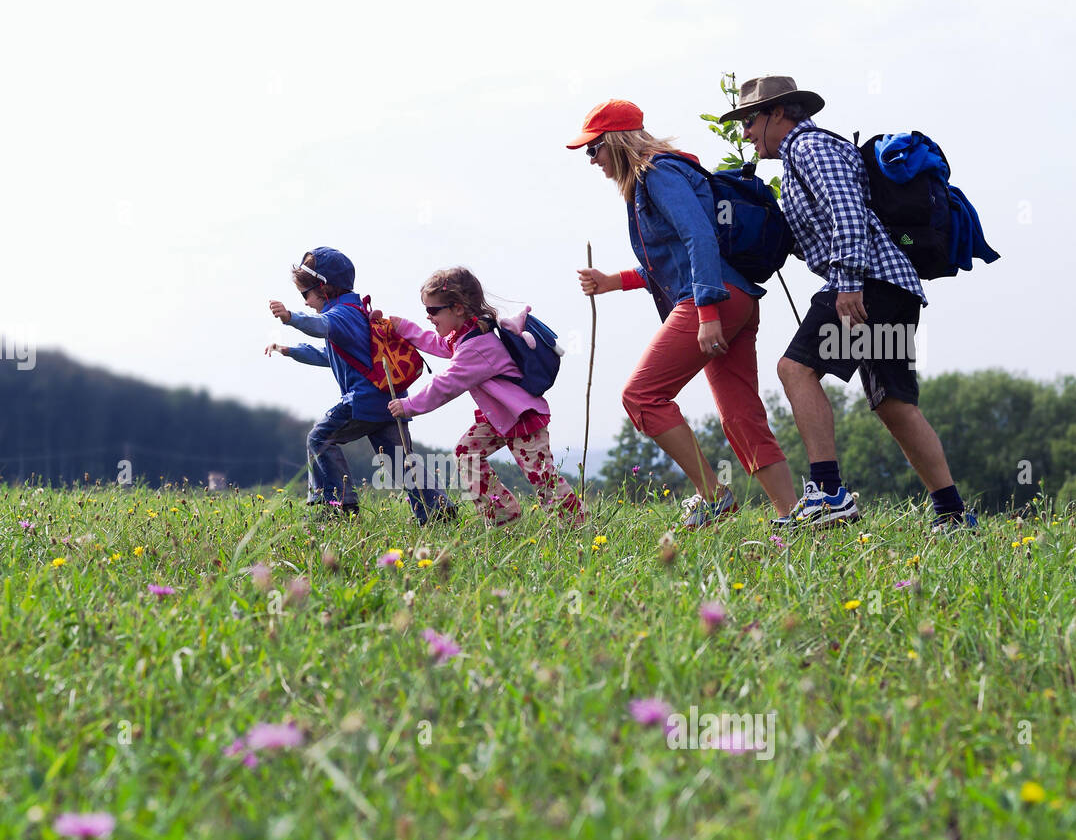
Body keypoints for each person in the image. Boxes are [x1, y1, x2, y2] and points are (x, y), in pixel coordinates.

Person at [722, 75, 977, 532]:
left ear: (778, 113)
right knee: (893, 403)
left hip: (868, 285)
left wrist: (848, 284)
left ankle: (828, 493)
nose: (745, 133)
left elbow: (848, 216)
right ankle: (953, 514)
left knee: (794, 369)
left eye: (749, 120)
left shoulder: (808, 148)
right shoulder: (808, 154)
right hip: (893, 288)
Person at [569, 99, 797, 528]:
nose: (592, 160)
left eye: (593, 149)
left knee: (642, 397)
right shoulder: (664, 174)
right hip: (737, 298)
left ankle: (713, 497)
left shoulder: (657, 173)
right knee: (740, 414)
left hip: (713, 300)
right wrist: (610, 280)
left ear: (615, 142)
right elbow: (670, 261)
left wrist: (708, 311)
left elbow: (699, 237)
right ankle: (790, 519)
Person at [265, 247, 455, 524]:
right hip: (388, 400)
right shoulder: (354, 312)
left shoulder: (341, 314)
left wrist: (291, 318)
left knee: (319, 439)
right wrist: (290, 350)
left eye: (305, 294)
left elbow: (320, 326)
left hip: (364, 401)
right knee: (401, 461)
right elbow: (327, 356)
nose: (305, 301)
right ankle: (438, 510)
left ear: (324, 289)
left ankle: (338, 506)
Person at [387, 267, 587, 528]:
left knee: (542, 477)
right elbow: (441, 345)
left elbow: (446, 385)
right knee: (466, 453)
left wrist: (409, 405)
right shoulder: (467, 337)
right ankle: (502, 514)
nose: (428, 316)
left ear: (458, 308)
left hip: (521, 418)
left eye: (433, 310)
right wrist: (402, 327)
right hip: (500, 418)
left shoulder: (476, 347)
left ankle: (577, 525)